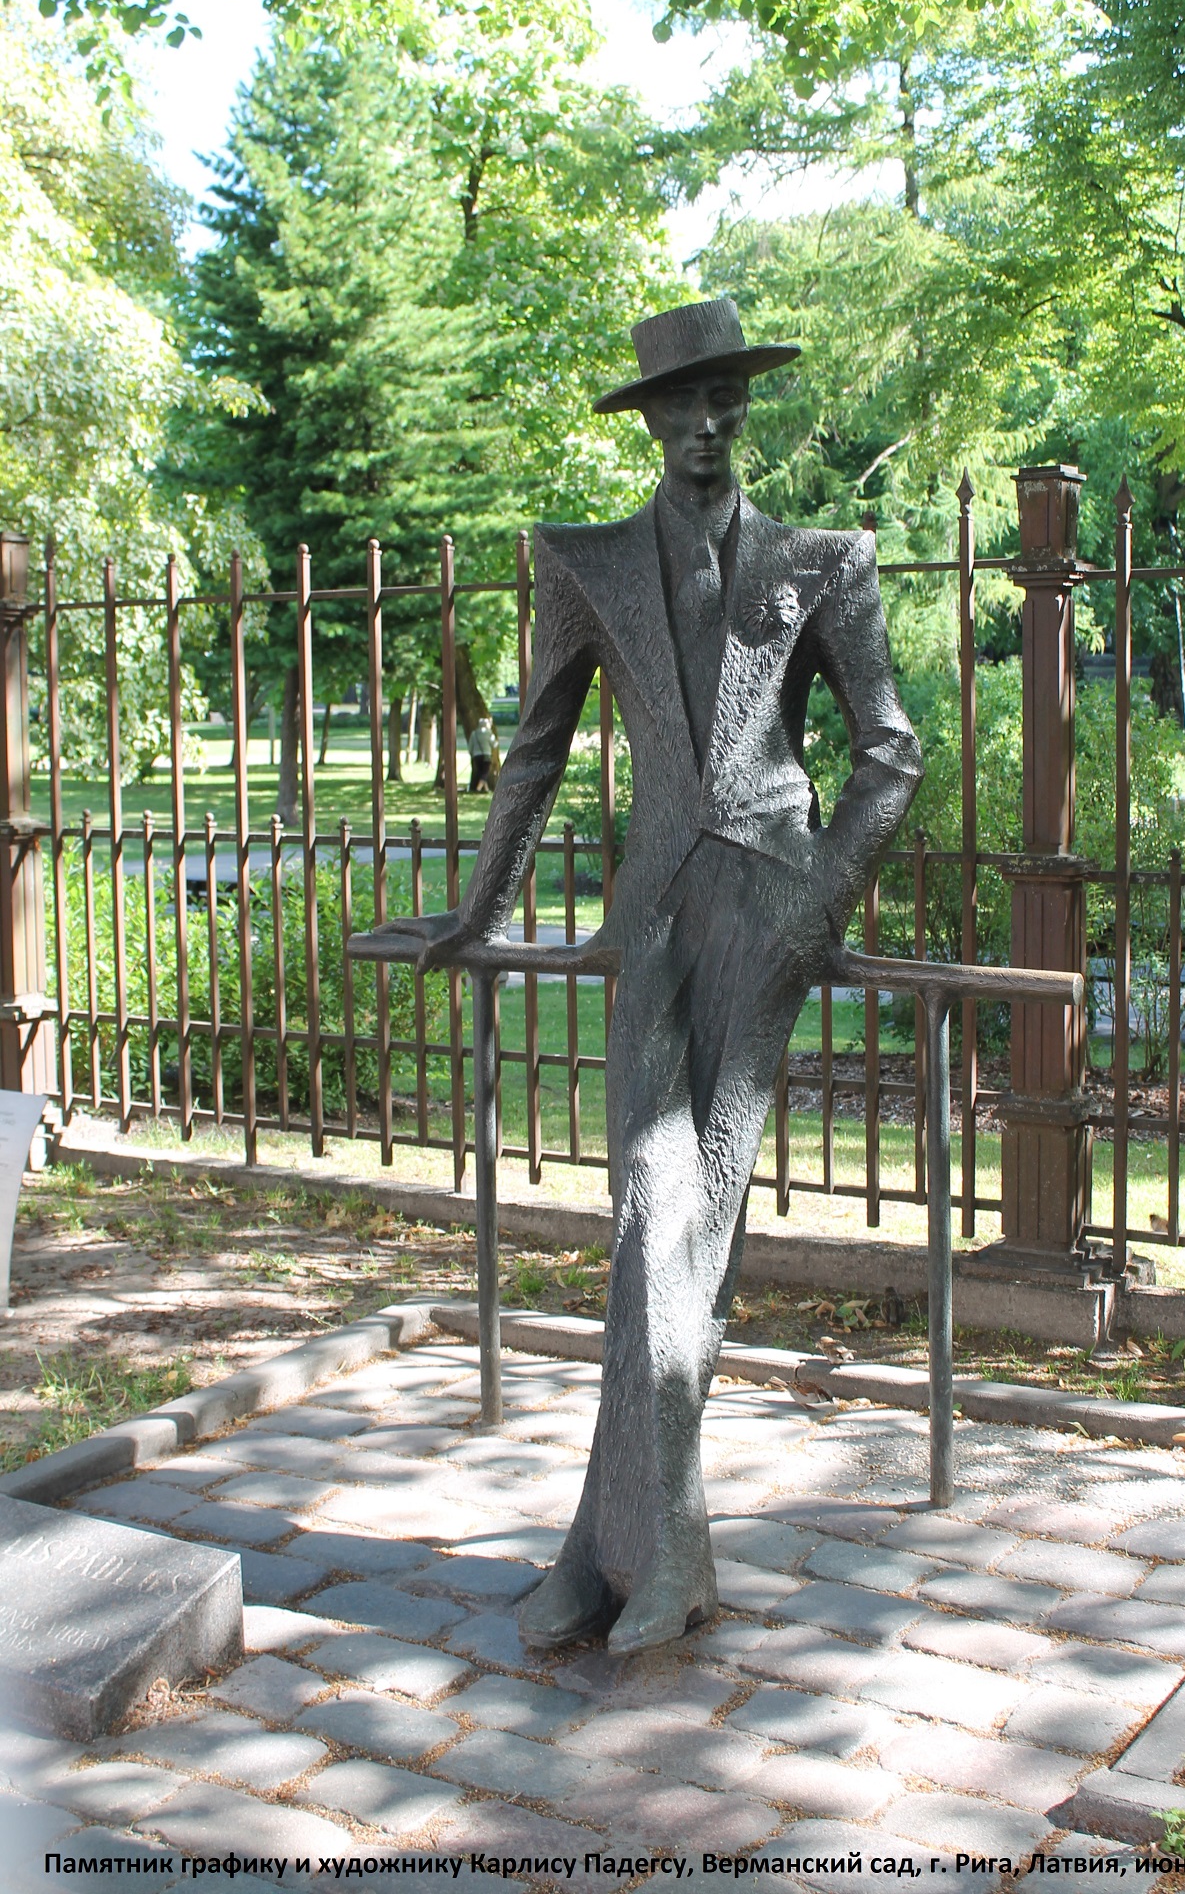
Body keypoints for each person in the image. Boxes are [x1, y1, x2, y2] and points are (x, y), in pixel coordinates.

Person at [352, 298, 922, 1654]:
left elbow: (888, 750)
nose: (707, 424)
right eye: (682, 404)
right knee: (651, 1215)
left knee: (683, 1216)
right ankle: (638, 1553)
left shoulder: (818, 561)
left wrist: (821, 892)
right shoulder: (584, 562)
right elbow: (536, 752)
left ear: (747, 409)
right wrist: (475, 907)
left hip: (766, 903)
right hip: (652, 905)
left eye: (726, 400)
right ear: (650, 417)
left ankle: (612, 1560)